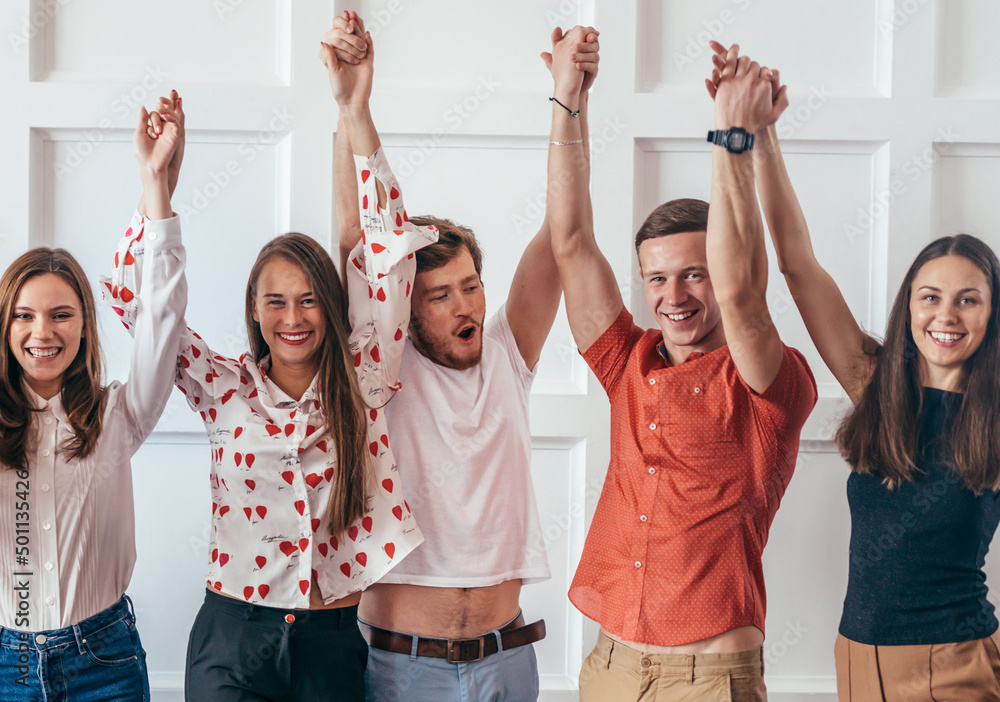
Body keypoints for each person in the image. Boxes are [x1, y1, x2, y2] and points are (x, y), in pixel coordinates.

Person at [103, 84, 430, 701]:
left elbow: (390, 253)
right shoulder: (223, 387)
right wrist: (157, 189)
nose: (293, 317)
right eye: (275, 300)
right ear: (254, 309)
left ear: (331, 307)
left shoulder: (365, 379)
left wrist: (357, 111)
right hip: (233, 637)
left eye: (309, 299)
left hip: (331, 641)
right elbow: (132, 300)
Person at [321, 12, 599, 701]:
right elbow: (360, 234)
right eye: (440, 295)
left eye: (471, 286)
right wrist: (354, 106)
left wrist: (571, 100)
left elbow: (566, 228)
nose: (464, 305)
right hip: (401, 666)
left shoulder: (508, 353)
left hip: (508, 659)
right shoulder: (382, 372)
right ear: (407, 309)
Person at [723, 43, 1000, 702]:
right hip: (857, 662)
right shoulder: (879, 387)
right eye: (931, 297)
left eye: (969, 299)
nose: (947, 316)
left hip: (955, 667)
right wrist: (761, 136)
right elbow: (796, 264)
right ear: (910, 306)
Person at [550, 42, 817, 700]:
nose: (675, 296)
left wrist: (732, 135)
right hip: (610, 667)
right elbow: (571, 243)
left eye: (694, 273)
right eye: (658, 279)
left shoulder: (766, 383)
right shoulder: (626, 361)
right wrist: (568, 99)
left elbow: (744, 295)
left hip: (709, 676)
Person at [0, 101, 187, 700]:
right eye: (24, 317)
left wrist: (155, 186)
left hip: (103, 659)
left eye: (61, 315)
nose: (42, 332)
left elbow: (161, 317)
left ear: (84, 327)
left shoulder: (116, 417)